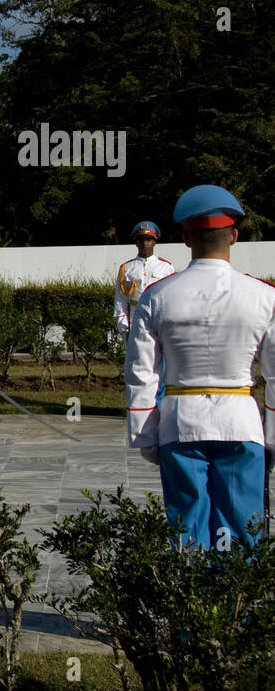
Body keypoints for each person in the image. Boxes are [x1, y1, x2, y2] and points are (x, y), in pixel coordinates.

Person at [126, 184, 275, 549]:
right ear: (235, 236)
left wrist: (146, 433)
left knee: (187, 527)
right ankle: (235, 604)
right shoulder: (265, 296)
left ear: (186, 237)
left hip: (181, 420)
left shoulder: (157, 296)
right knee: (242, 528)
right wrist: (272, 437)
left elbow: (142, 373)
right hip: (241, 420)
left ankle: (187, 602)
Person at [114, 221, 174, 337]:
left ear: (154, 242)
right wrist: (123, 329)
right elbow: (120, 301)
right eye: (141, 240)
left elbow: (171, 299)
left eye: (148, 240)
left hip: (159, 319)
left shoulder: (166, 267)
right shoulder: (126, 268)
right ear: (136, 243)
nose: (144, 243)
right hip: (135, 320)